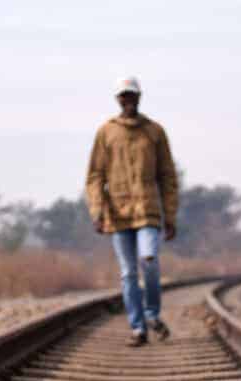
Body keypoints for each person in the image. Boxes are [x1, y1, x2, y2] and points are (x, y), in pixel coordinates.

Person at [86, 76, 179, 346]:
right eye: (123, 96)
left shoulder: (154, 132)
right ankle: (138, 328)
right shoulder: (107, 133)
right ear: (118, 99)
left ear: (139, 97)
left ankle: (152, 315)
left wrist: (170, 216)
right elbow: (94, 176)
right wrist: (97, 210)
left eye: (131, 95)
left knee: (148, 261)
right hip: (118, 214)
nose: (128, 100)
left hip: (148, 211)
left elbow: (168, 177)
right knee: (128, 273)